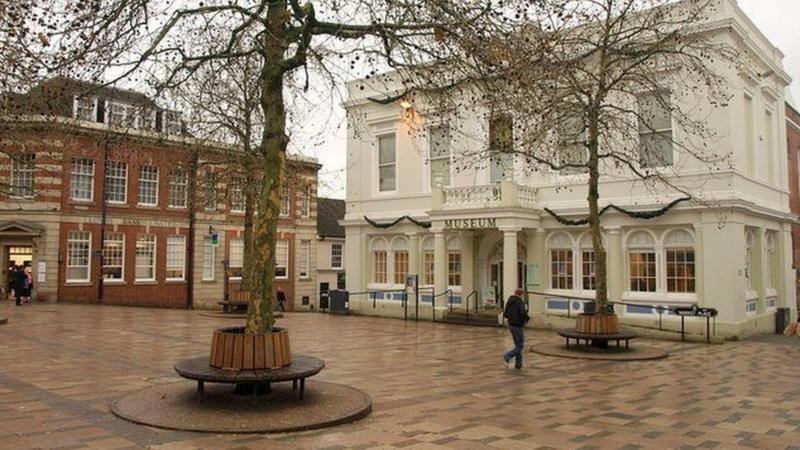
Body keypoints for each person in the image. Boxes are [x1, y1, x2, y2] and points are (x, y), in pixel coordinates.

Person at [503, 289, 529, 369]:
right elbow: (523, 313)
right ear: (521, 294)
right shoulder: (520, 302)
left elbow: (505, 314)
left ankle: (518, 364)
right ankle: (507, 356)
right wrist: (527, 318)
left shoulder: (509, 301)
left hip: (511, 325)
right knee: (520, 346)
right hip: (518, 326)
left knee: (517, 345)